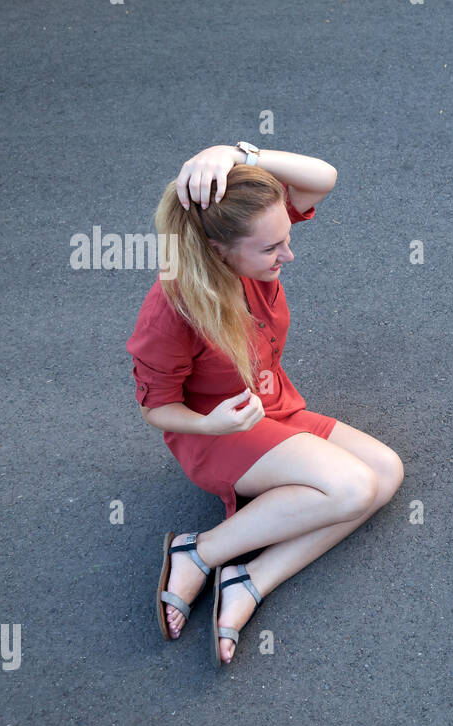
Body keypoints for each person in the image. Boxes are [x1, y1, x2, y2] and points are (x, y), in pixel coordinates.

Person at [126, 144, 403, 666]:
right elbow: (155, 408)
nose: (288, 256)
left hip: (274, 407)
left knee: (386, 472)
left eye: (287, 238)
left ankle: (249, 579)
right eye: (272, 248)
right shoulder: (172, 308)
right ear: (218, 249)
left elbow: (324, 175)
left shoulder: (250, 242)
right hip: (216, 433)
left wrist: (234, 152)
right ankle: (199, 550)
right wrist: (209, 423)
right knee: (353, 487)